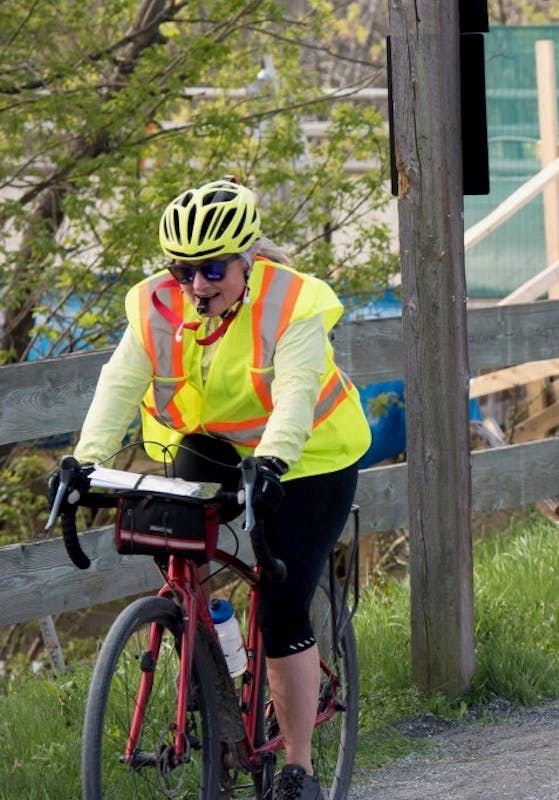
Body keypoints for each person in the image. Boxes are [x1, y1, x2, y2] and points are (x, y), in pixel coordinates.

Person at [70, 178, 371, 799]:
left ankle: (299, 768)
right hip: (213, 445)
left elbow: (293, 393)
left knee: (285, 601)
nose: (198, 286)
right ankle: (218, 672)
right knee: (181, 563)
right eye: (184, 271)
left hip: (311, 456)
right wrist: (83, 461)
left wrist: (274, 460)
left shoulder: (294, 302)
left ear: (247, 260)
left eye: (213, 270)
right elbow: (121, 381)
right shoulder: (156, 305)